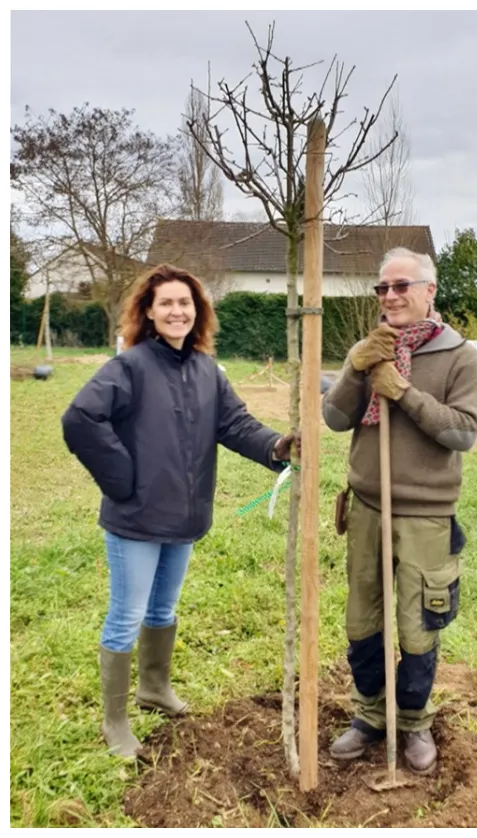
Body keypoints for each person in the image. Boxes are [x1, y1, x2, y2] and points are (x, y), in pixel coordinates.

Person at [62, 264, 297, 759]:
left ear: (198, 312)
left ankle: (154, 689)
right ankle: (116, 722)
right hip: (136, 520)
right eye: (166, 303)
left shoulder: (207, 370)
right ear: (148, 311)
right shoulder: (130, 366)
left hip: (184, 519)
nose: (177, 311)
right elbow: (81, 418)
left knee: (162, 610)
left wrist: (276, 445)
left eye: (185, 303)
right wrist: (122, 479)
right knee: (126, 617)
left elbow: (234, 423)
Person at [323, 246, 477, 773]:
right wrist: (358, 367)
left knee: (418, 627)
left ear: (429, 291)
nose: (389, 296)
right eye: (382, 288)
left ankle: (413, 721)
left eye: (401, 286)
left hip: (425, 515)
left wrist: (405, 392)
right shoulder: (368, 348)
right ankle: (369, 715)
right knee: (362, 620)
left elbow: (461, 432)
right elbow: (335, 417)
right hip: (367, 506)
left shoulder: (460, 357)